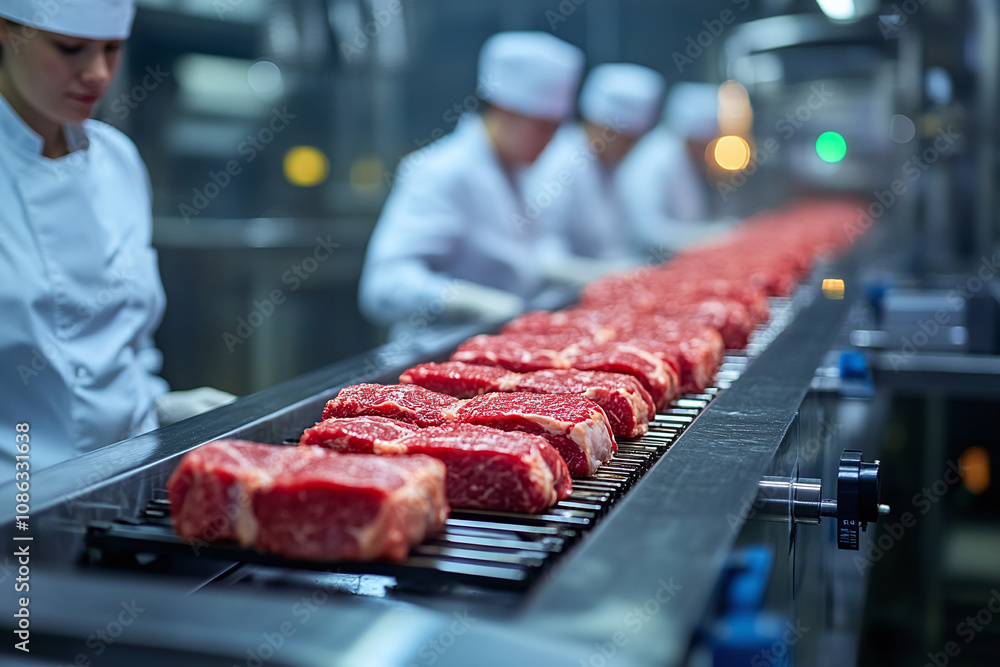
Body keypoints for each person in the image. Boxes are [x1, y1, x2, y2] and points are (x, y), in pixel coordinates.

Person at [0, 0, 231, 484]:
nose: (98, 73)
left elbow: (130, 339)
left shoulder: (117, 161)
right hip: (14, 494)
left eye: (112, 48)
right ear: (7, 31)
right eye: (70, 49)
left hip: (126, 480)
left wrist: (157, 408)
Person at [358, 31, 584, 341]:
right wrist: (469, 300)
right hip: (437, 354)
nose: (551, 142)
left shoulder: (517, 170)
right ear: (505, 112)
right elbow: (384, 285)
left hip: (497, 346)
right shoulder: (444, 170)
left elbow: (522, 258)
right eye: (544, 128)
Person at [524, 62, 664, 283]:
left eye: (635, 141)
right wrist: (610, 273)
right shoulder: (561, 165)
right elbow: (545, 259)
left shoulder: (609, 166)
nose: (628, 149)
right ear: (598, 124)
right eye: (622, 138)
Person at [616, 81, 734, 252]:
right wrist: (708, 236)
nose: (707, 150)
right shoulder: (656, 158)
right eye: (704, 143)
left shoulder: (682, 155)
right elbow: (648, 230)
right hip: (647, 258)